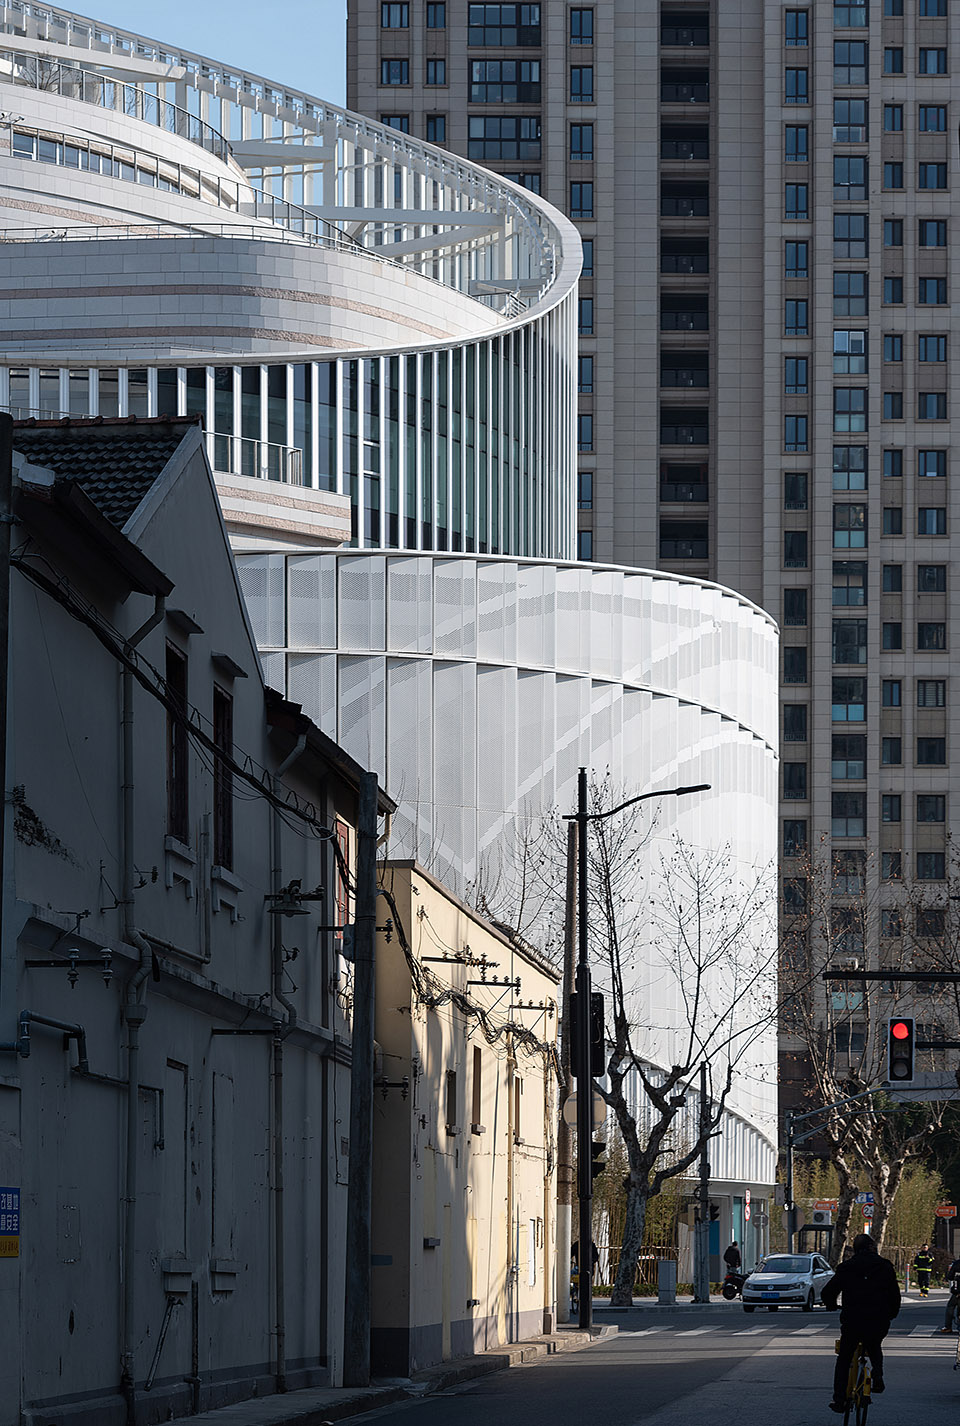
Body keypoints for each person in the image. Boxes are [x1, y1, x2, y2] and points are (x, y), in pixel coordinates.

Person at [821, 1232, 901, 1413]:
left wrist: (832, 1305)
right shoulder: (885, 1267)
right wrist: (891, 1314)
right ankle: (878, 1375)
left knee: (845, 1357)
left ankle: (839, 1399)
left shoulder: (847, 1268)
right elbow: (895, 1296)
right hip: (878, 1320)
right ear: (873, 1247)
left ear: (855, 1250)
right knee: (874, 1346)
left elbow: (828, 1292)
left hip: (853, 1320)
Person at [940, 1255, 960, 1333]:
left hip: (957, 1290)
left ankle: (948, 1326)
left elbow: (950, 1276)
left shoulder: (956, 1264)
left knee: (950, 1307)